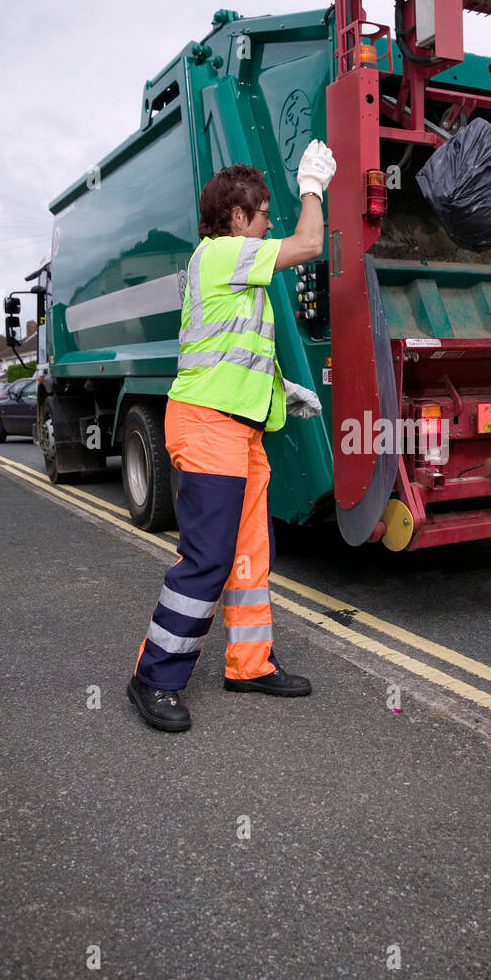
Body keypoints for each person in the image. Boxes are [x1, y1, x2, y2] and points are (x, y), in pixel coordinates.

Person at [127, 141, 336, 733]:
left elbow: (231, 350)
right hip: (208, 426)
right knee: (207, 559)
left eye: (273, 210)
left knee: (250, 555)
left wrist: (280, 389)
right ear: (237, 219)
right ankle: (154, 677)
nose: (270, 220)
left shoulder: (229, 268)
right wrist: (313, 187)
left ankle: (249, 663)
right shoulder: (221, 253)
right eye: (263, 211)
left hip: (238, 429)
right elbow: (310, 244)